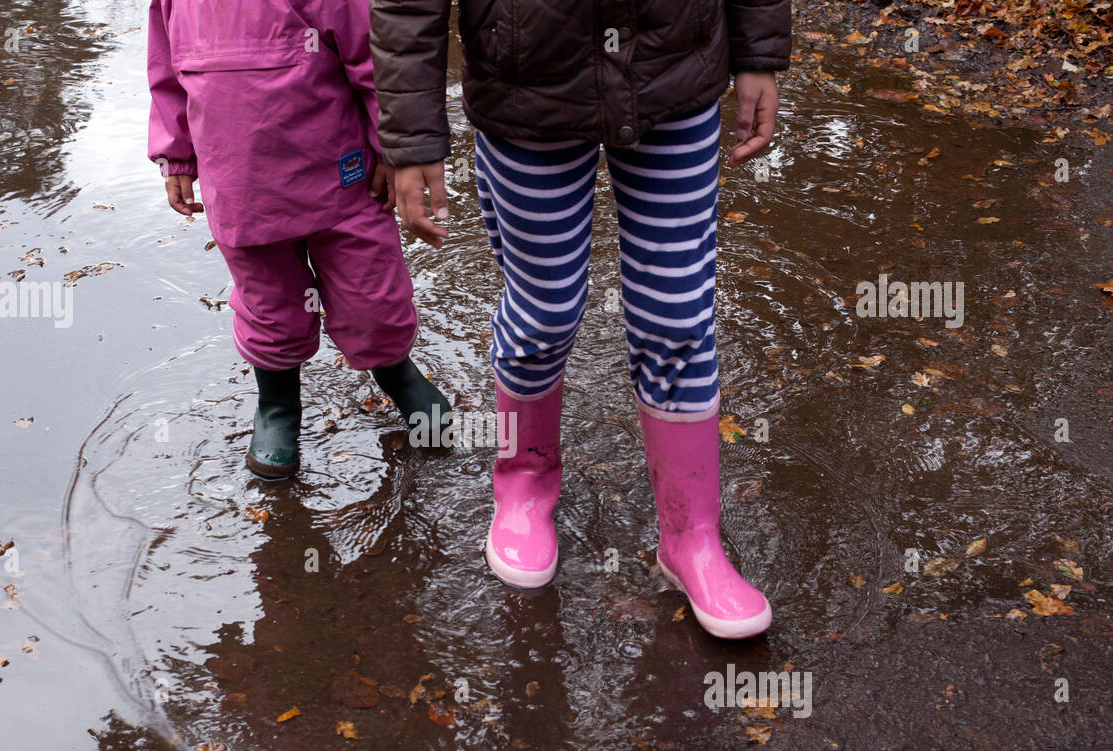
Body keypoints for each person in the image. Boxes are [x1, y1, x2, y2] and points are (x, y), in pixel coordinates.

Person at [371, 0, 789, 638]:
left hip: (672, 73)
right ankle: (525, 484)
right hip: (526, 87)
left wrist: (759, 51)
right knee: (543, 313)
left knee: (678, 316)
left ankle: (690, 537)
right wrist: (412, 134)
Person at [147, 0, 451, 480]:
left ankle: (397, 372)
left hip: (344, 186)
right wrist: (175, 157)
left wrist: (392, 147)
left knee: (372, 297)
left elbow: (373, 65)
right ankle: (277, 405)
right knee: (271, 305)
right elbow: (167, 78)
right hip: (242, 195)